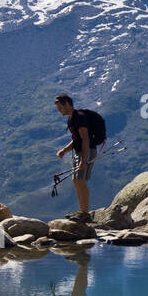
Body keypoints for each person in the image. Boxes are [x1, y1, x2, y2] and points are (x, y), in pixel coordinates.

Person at [55, 93, 96, 221]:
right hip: (80, 152)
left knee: (80, 180)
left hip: (86, 151)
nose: (59, 110)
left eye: (60, 107)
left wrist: (84, 159)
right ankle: (82, 211)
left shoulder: (79, 117)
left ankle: (85, 213)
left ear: (66, 104)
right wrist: (65, 150)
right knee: (76, 180)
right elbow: (76, 139)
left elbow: (85, 138)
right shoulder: (72, 119)